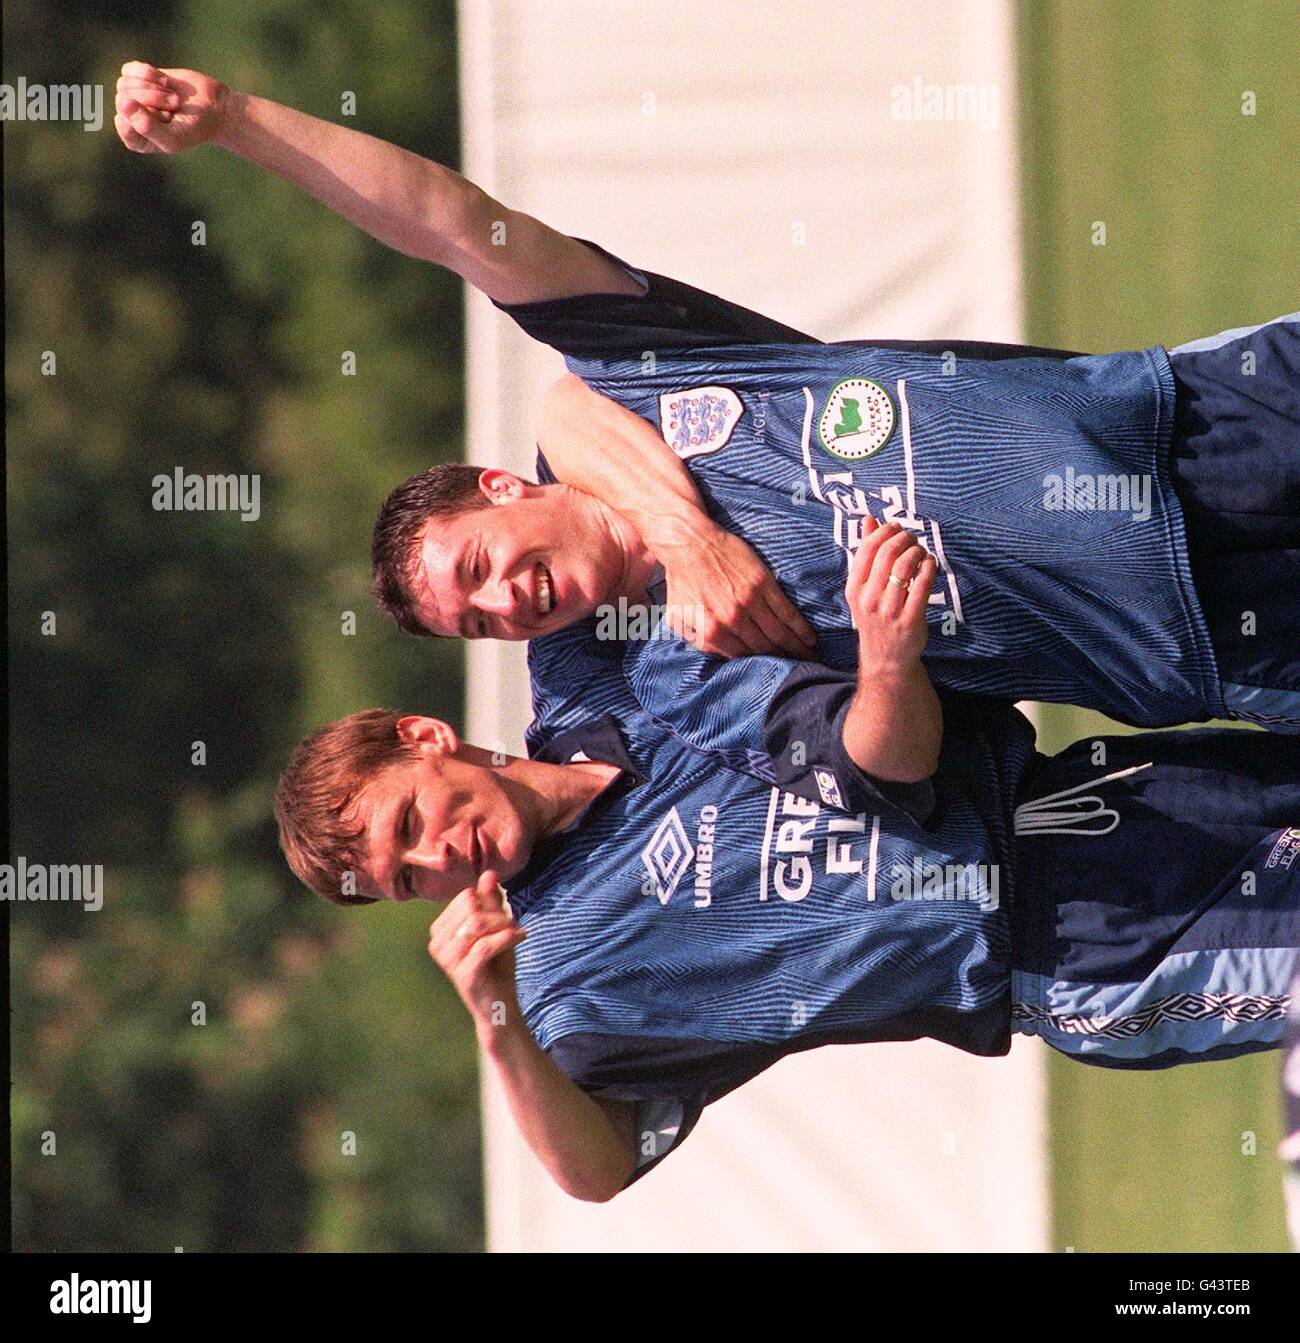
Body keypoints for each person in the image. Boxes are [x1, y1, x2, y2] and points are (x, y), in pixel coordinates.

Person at [112, 61, 1297, 729]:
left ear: (495, 486)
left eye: (477, 567)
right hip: (1202, 642)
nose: (508, 603)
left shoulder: (625, 370)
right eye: (481, 624)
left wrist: (239, 124)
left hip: (1187, 427)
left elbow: (460, 229)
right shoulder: (634, 671)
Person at [274, 527, 1300, 1201]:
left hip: (1074, 790)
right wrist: (495, 1021)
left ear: (425, 734)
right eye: (408, 875)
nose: (435, 853)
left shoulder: (594, 661)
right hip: (1067, 950)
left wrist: (676, 532)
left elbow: (573, 412)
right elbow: (595, 1168)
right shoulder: (554, 980)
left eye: (408, 820)